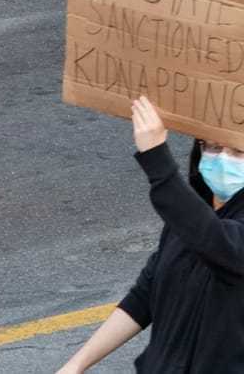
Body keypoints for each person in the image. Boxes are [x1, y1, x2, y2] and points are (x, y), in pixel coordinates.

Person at [53, 96, 244, 373]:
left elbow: (214, 240)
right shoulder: (187, 220)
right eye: (212, 146)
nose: (222, 159)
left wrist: (157, 158)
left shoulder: (200, 226)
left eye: (238, 152)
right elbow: (145, 297)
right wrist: (76, 365)